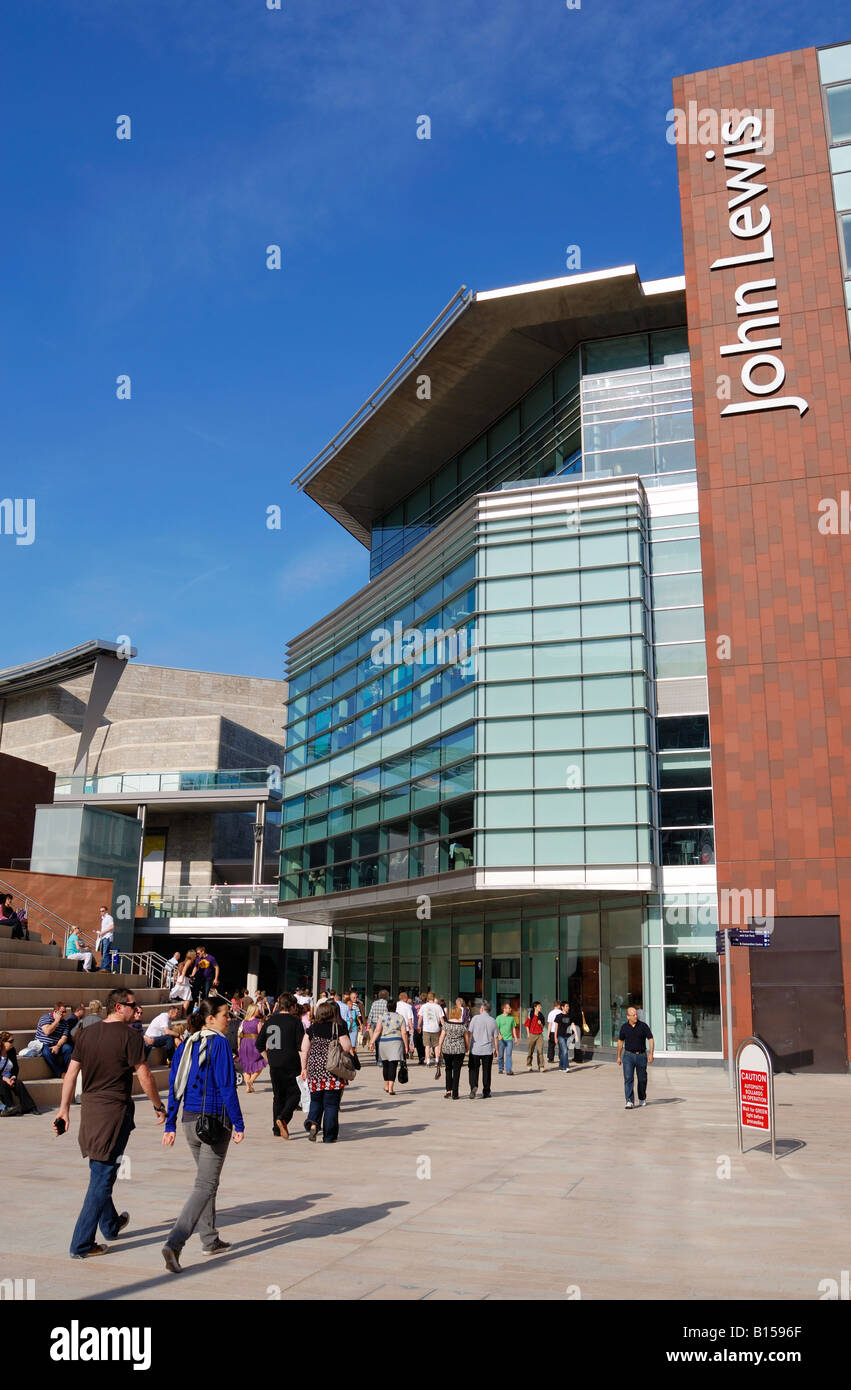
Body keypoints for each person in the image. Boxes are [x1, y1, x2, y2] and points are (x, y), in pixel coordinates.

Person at [55, 986, 166, 1259]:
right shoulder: (131, 1036)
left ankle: (111, 1224)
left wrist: (64, 1111)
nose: (136, 1009)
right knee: (103, 1178)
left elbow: (70, 1075)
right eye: (132, 1005)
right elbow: (145, 1076)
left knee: (100, 1171)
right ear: (119, 1007)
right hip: (114, 1112)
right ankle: (81, 1244)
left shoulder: (87, 1033)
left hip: (90, 1110)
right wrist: (158, 1106)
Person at [161, 996, 245, 1271]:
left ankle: (210, 1239)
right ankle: (175, 1242)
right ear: (210, 1018)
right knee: (205, 1185)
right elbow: (226, 1086)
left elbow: (175, 1085)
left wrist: (171, 1123)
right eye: (225, 1015)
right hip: (214, 1122)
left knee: (207, 1180)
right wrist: (239, 1123)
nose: (229, 1019)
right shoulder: (219, 1042)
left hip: (189, 1122)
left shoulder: (187, 1043)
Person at [300, 1000, 354, 1141]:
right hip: (333, 1071)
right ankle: (329, 1136)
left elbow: (304, 1050)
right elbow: (347, 1047)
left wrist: (303, 1068)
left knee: (316, 1100)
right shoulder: (338, 1028)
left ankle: (313, 1124)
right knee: (331, 1104)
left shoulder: (312, 1029)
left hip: (315, 1070)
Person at [257, 992, 303, 1139]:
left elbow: (258, 1044)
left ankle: (276, 1128)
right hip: (291, 1062)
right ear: (291, 1006)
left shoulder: (270, 1021)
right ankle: (282, 1118)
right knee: (295, 1094)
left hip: (275, 1063)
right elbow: (301, 1046)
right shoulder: (295, 1022)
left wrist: (268, 1058)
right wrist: (304, 1066)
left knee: (278, 1096)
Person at [617, 1005, 654, 1109]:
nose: (636, 1017)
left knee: (642, 1079)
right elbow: (620, 1041)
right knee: (628, 1078)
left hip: (641, 1056)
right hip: (628, 1056)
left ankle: (642, 1098)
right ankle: (629, 1101)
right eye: (633, 1015)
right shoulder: (624, 1027)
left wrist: (651, 1053)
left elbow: (650, 1039)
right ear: (628, 1016)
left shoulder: (643, 1026)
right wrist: (619, 1056)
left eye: (636, 1014)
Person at [371, 999, 408, 1096]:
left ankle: (386, 1085)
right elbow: (404, 1033)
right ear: (395, 1007)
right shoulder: (400, 1017)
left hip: (384, 1042)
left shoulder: (382, 1017)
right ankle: (391, 1088)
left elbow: (377, 1031)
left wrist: (371, 1042)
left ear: (387, 1007)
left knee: (385, 1065)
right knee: (393, 1065)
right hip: (396, 1042)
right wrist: (406, 1046)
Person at [0, 1031, 39, 1115]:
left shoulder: (11, 1051)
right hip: (1, 1079)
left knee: (18, 1083)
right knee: (2, 1084)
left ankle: (29, 1107)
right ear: (3, 1042)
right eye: (10, 1041)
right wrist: (5, 1079)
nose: (12, 1043)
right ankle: (9, 1107)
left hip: (9, 1077)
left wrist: (13, 1077)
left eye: (13, 1041)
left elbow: (15, 1067)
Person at [467, 1001, 498, 1098]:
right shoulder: (493, 1021)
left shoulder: (475, 1018)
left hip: (475, 1049)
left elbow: (469, 1033)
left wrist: (467, 1045)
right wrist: (496, 1050)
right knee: (487, 1071)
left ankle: (473, 1086)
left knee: (473, 1069)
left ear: (482, 1009)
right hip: (487, 1050)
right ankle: (486, 1091)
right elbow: (495, 1037)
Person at [437, 1006, 469, 1099]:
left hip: (447, 1049)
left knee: (448, 1069)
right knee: (457, 1071)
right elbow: (466, 1038)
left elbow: (442, 1037)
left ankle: (448, 1091)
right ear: (459, 1013)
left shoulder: (446, 1024)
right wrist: (467, 1047)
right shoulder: (463, 1025)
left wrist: (439, 1048)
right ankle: (455, 1093)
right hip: (459, 1050)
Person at [36, 1002, 74, 1078]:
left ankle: (69, 1072)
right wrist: (56, 1021)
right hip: (43, 1044)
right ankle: (60, 1073)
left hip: (56, 1044)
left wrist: (57, 1046)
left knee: (68, 1048)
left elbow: (64, 1037)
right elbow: (47, 1032)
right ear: (55, 1012)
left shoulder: (65, 1023)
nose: (64, 1014)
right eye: (62, 1012)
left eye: (65, 1012)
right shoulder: (45, 1018)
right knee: (46, 1052)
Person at [237, 1003, 267, 1092]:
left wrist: (239, 1046)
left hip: (244, 1044)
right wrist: (264, 1046)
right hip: (254, 1044)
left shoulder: (243, 1022)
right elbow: (261, 1035)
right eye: (258, 1010)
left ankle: (248, 1087)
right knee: (261, 1063)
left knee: (246, 1067)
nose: (259, 1011)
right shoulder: (258, 1022)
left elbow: (239, 1035)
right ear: (254, 1011)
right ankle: (251, 1081)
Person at [419, 992, 445, 1066]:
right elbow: (442, 1019)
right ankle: (437, 1060)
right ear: (434, 998)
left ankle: (428, 1061)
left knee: (427, 1046)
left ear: (428, 998)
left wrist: (418, 1026)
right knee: (436, 1045)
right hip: (435, 1028)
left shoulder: (424, 1006)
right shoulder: (438, 1007)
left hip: (426, 1028)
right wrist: (444, 1027)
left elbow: (420, 1017)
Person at [366, 988, 390, 1066]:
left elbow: (371, 1014)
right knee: (382, 1042)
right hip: (384, 1024)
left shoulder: (374, 1003)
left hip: (375, 1023)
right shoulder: (387, 1003)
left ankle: (377, 1059)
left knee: (376, 1041)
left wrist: (369, 1023)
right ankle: (381, 1059)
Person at [554, 1002, 579, 1073]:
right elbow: (556, 1027)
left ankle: (561, 1067)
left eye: (568, 1006)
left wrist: (576, 1035)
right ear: (562, 1007)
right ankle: (566, 1067)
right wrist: (555, 1037)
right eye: (566, 1006)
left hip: (568, 1036)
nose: (568, 1007)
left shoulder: (570, 1016)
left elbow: (573, 1025)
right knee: (565, 1051)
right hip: (560, 1036)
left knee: (563, 1052)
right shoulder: (558, 1016)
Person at [496, 1002, 519, 1076]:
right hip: (501, 1039)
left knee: (509, 1055)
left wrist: (515, 1038)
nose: (510, 1009)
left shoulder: (511, 1018)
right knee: (500, 1055)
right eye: (508, 1008)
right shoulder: (499, 1017)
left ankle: (508, 1070)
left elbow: (513, 1028)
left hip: (509, 1039)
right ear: (504, 1009)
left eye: (510, 1008)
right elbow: (496, 1027)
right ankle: (500, 1068)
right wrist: (499, 1035)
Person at [525, 1001, 546, 1072]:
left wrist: (540, 1024)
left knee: (540, 1051)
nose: (540, 1007)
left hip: (539, 1035)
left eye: (541, 1006)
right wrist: (528, 1034)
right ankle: (529, 1064)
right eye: (539, 1006)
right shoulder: (530, 1014)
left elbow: (543, 1026)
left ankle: (541, 1066)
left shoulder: (541, 1016)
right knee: (530, 1051)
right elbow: (527, 1025)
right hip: (532, 1034)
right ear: (535, 1007)